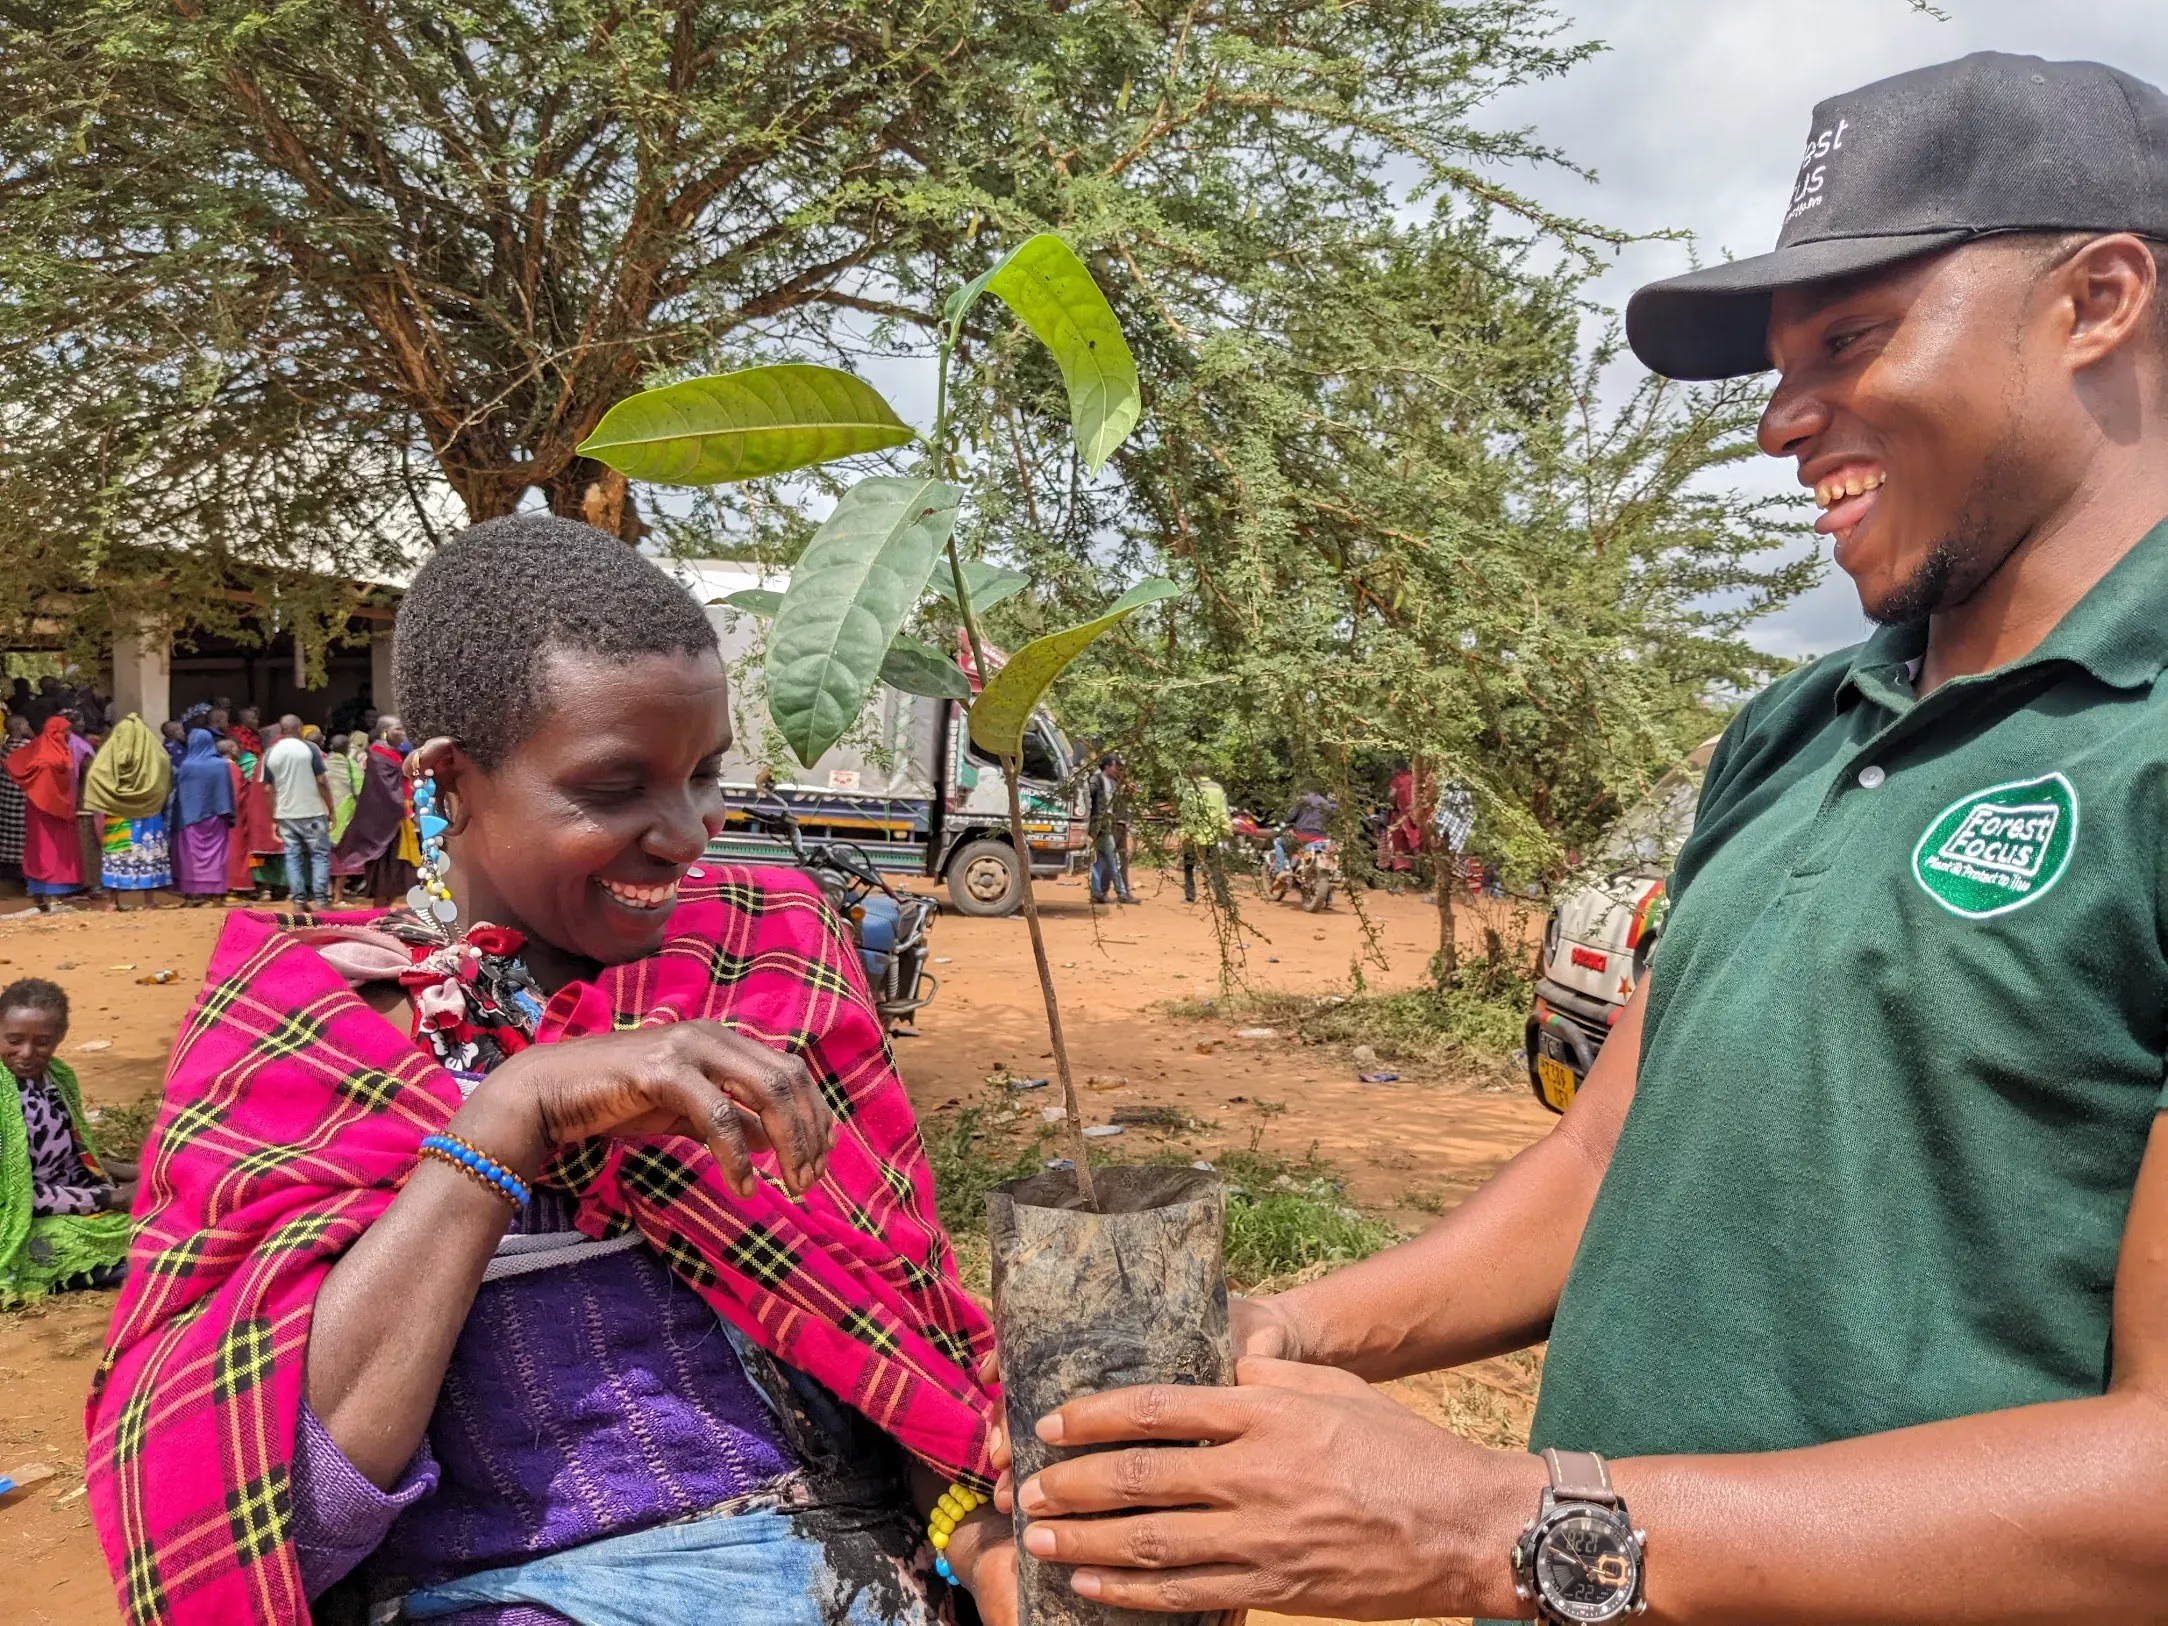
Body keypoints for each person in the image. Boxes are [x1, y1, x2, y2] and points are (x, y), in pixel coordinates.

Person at [986, 54, 2168, 1625]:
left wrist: (1507, 1525)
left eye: (1851, 338)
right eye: (1775, 362)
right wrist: (1293, 1327)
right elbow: (1608, 1152)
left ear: (2097, 299)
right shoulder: (1798, 727)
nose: (1780, 422)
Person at [88, 515, 1013, 1626]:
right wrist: (510, 1117)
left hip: (876, 1579)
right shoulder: (317, 1024)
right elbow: (285, 1506)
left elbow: (884, 1317)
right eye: (616, 788)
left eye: (705, 773)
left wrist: (981, 1533)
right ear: (450, 782)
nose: (684, 832)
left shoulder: (767, 952)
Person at [0, 978, 137, 1304]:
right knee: (49, 1248)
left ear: (59, 1039)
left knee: (156, 1221)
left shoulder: (57, 1079)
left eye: (43, 1042)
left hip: (67, 1198)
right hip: (14, 1214)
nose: (27, 1054)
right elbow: (16, 1195)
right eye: (14, 1040)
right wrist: (112, 1198)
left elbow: (74, 1155)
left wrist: (136, 1172)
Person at [83, 715, 173, 908]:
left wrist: (110, 798)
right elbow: (164, 779)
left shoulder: (109, 755)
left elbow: (94, 777)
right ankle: (149, 901)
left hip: (118, 813)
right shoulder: (156, 755)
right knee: (148, 852)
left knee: (116, 854)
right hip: (148, 812)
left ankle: (112, 902)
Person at [330, 716, 419, 906]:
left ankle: (385, 910)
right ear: (385, 732)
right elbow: (387, 789)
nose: (402, 734)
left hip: (398, 822)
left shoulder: (395, 753)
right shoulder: (378, 756)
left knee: (402, 874)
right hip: (382, 824)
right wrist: (409, 812)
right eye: (398, 729)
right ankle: (378, 913)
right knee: (385, 873)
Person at [6, 715, 83, 909]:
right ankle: (51, 895)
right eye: (65, 732)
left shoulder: (38, 749)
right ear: (54, 733)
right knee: (50, 850)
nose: (68, 736)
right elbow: (48, 788)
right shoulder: (46, 758)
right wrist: (62, 806)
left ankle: (41, 894)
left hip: (40, 808)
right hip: (49, 808)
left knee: (42, 849)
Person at [264, 712, 334, 909]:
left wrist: (273, 817)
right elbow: (322, 782)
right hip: (312, 811)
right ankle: (321, 899)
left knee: (292, 855)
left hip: (286, 814)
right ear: (299, 728)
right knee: (319, 855)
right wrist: (331, 809)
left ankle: (298, 900)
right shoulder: (309, 749)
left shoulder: (271, 753)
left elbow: (268, 790)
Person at [169, 728, 235, 906]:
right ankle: (216, 897)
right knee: (216, 855)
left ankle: (191, 896)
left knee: (189, 856)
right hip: (216, 817)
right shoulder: (221, 765)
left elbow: (179, 795)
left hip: (188, 819)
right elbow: (227, 792)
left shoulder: (186, 766)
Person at [1176, 764, 1232, 906]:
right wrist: (1226, 830)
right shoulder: (1217, 788)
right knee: (1215, 867)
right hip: (1210, 835)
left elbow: (1186, 814)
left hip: (1192, 836)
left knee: (1189, 866)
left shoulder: (1189, 789)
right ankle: (1222, 898)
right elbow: (1223, 812)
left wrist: (1184, 833)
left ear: (1193, 774)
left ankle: (1190, 896)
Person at [1086, 753, 1133, 906]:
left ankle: (1097, 892)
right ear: (1107, 767)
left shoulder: (1111, 781)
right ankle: (1122, 893)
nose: (1116, 770)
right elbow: (1089, 800)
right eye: (1114, 767)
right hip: (1100, 825)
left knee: (1099, 861)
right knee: (1113, 859)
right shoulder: (1095, 780)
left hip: (1106, 823)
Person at [0, 712, 28, 883]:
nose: (28, 728)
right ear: (18, 728)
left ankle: (7, 870)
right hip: (23, 799)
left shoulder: (4, 747)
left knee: (6, 834)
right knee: (22, 835)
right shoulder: (28, 746)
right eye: (25, 725)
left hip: (5, 799)